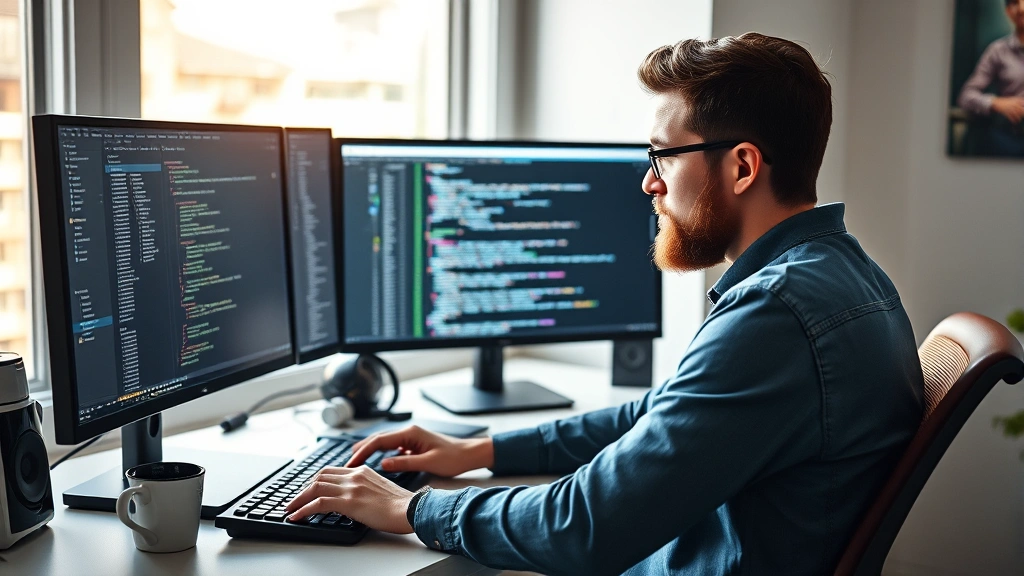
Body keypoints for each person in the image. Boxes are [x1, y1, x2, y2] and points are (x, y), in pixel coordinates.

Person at [285, 33, 924, 575]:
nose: (649, 182)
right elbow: (667, 412)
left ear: (742, 167)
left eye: (663, 156)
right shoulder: (847, 274)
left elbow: (586, 525)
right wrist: (481, 451)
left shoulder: (777, 314)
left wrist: (411, 509)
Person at [957, 0, 1024, 156]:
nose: (1022, 8)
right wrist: (995, 103)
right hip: (1010, 140)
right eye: (1015, 3)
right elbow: (966, 96)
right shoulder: (997, 51)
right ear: (1008, 11)